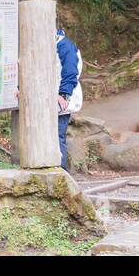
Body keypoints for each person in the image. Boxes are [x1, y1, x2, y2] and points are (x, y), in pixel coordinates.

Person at [56, 24, 83, 170]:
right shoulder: (49, 45)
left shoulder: (64, 46)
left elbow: (70, 72)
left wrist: (63, 95)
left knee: (57, 137)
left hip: (61, 99)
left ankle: (61, 174)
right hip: (47, 99)